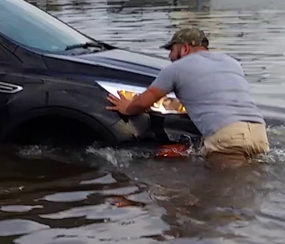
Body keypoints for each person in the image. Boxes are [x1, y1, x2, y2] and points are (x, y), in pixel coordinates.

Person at [106, 27, 269, 162]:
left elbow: (144, 101)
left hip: (228, 138)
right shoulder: (232, 62)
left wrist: (127, 108)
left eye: (172, 49)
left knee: (222, 195)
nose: (170, 56)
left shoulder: (176, 69)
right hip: (259, 133)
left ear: (184, 48)